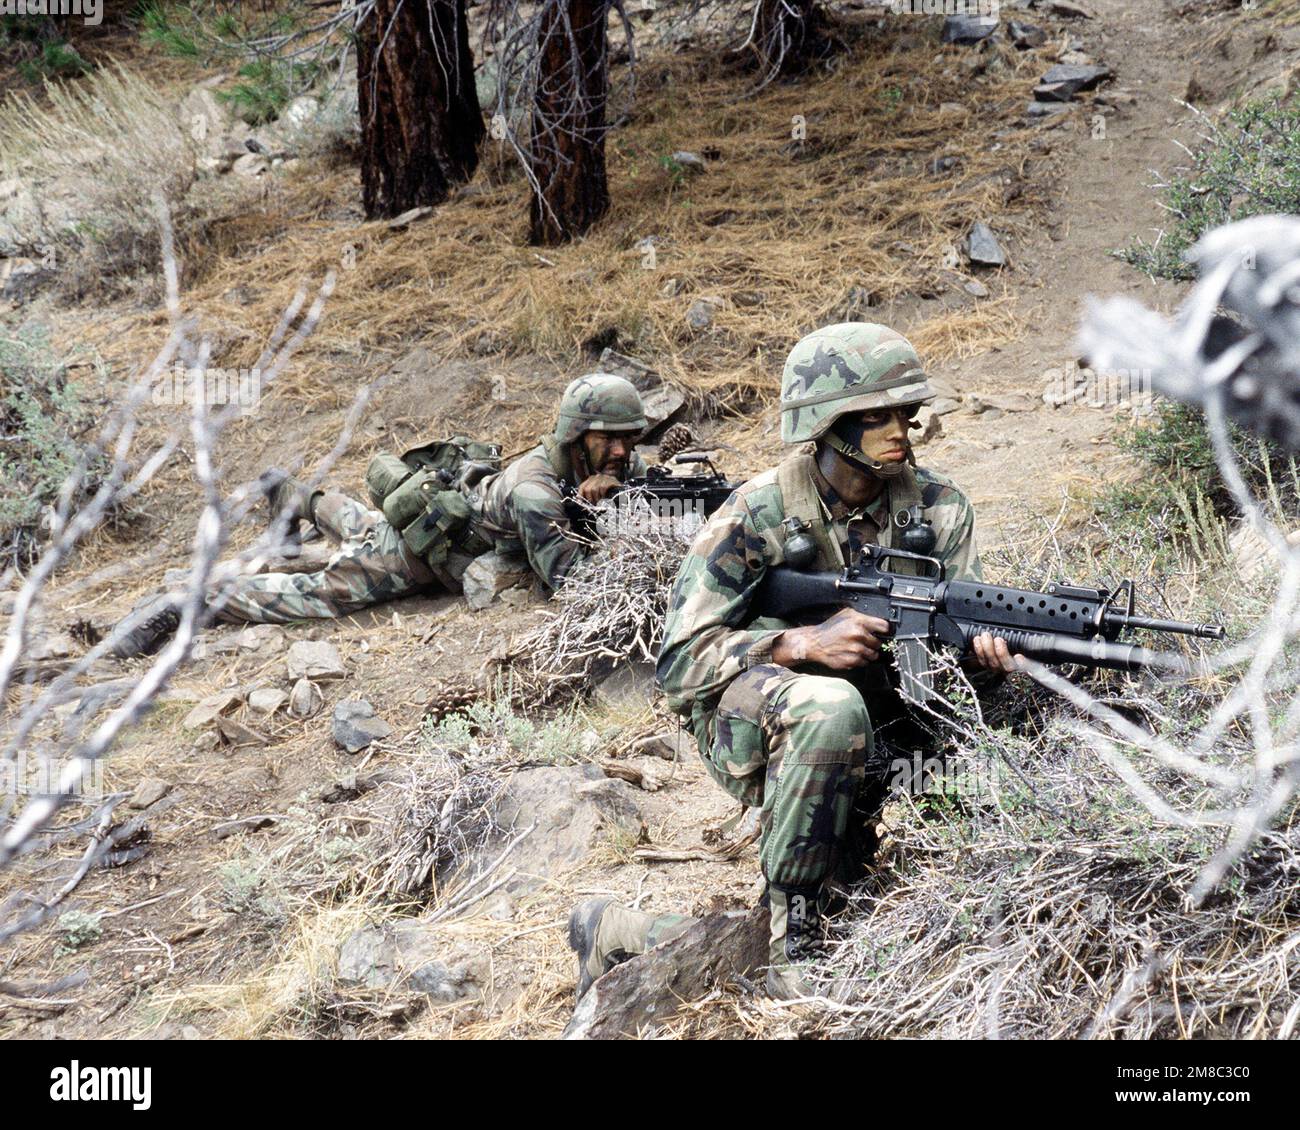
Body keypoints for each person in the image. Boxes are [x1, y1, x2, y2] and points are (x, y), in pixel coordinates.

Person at [569, 322, 1023, 1001]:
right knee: (828, 709)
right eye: (877, 417)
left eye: (907, 414)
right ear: (828, 425)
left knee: (1017, 712)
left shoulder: (937, 506)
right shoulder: (754, 515)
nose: (901, 430)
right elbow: (679, 664)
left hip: (883, 721)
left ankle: (620, 931)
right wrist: (797, 644)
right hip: (761, 727)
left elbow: (956, 638)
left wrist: (985, 659)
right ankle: (793, 952)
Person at [107, 373, 649, 658]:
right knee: (317, 596)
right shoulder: (536, 492)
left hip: (425, 518)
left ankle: (294, 496)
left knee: (358, 521)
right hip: (410, 557)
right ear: (576, 435)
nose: (624, 454)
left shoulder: (591, 464)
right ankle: (189, 602)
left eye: (630, 440)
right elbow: (577, 585)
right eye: (610, 440)